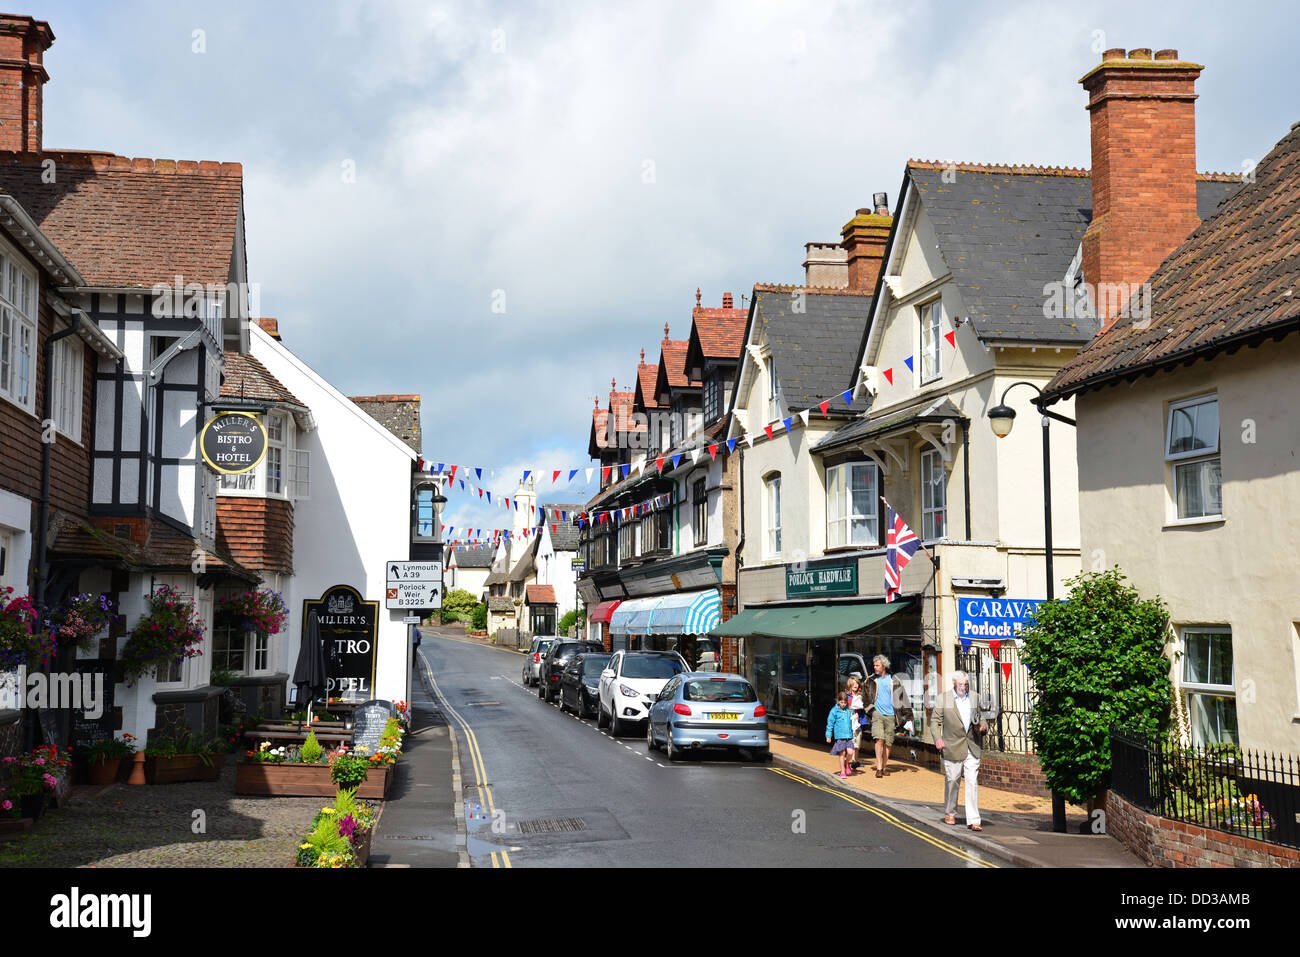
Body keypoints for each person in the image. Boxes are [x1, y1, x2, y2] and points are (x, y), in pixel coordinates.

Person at [932, 670, 987, 830]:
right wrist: (938, 738)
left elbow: (981, 717)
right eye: (961, 684)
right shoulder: (944, 699)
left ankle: (974, 819)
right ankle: (950, 812)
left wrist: (982, 726)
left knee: (971, 782)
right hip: (952, 746)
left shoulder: (974, 697)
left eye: (966, 684)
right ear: (954, 684)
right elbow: (935, 721)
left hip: (972, 746)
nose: (964, 687)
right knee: (953, 780)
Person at [867, 654, 913, 777]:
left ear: (884, 666)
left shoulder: (895, 681)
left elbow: (903, 699)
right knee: (879, 738)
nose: (875, 667)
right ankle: (878, 768)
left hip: (891, 716)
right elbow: (865, 698)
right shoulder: (870, 680)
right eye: (874, 665)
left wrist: (909, 717)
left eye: (877, 665)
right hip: (877, 714)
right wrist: (872, 711)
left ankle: (883, 767)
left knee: (888, 742)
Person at [825, 691, 855, 779]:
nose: (843, 704)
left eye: (845, 703)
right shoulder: (834, 711)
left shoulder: (849, 710)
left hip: (849, 735)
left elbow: (854, 719)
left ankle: (847, 764)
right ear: (838, 701)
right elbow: (830, 724)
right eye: (841, 702)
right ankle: (842, 771)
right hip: (840, 736)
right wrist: (828, 736)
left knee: (850, 752)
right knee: (842, 753)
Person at [846, 677, 866, 771]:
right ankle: (849, 762)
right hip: (849, 724)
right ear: (850, 685)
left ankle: (855, 761)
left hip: (858, 723)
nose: (855, 685)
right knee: (851, 744)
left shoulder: (860, 696)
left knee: (857, 744)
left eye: (857, 683)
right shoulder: (847, 696)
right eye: (853, 683)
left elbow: (864, 707)